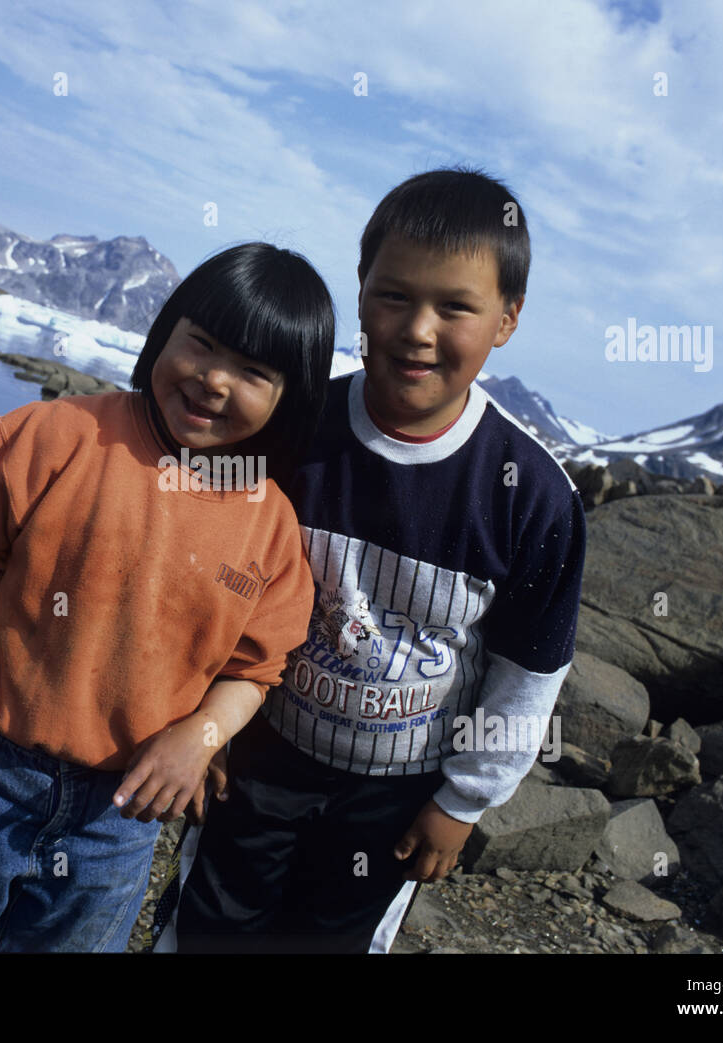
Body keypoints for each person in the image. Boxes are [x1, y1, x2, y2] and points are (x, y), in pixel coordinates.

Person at [0, 241, 334, 952]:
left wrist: (198, 740)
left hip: (124, 809)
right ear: (163, 332)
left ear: (290, 398)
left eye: (253, 372)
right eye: (200, 345)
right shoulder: (62, 436)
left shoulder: (271, 528)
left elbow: (253, 669)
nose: (214, 380)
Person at [168, 168, 587, 953]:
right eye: (394, 295)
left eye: (456, 306)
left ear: (508, 319)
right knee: (211, 924)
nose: (418, 329)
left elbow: (526, 675)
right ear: (360, 291)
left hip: (395, 794)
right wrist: (204, 723)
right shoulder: (295, 430)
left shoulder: (529, 495)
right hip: (261, 753)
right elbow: (214, 581)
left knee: (335, 938)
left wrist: (462, 801)